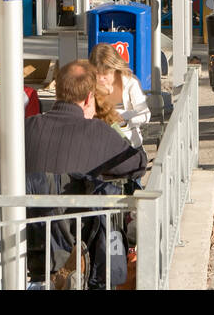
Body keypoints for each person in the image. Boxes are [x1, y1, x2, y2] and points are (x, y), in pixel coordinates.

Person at [25, 62, 148, 289]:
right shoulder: (98, 132)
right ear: (89, 98)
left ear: (58, 91)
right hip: (81, 247)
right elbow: (137, 164)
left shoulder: (28, 127)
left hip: (29, 241)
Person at [89, 43, 151, 148]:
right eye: (97, 74)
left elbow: (145, 115)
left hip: (130, 143)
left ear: (114, 69)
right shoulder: (89, 84)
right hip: (99, 144)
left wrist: (123, 117)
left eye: (105, 74)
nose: (101, 79)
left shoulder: (131, 82)